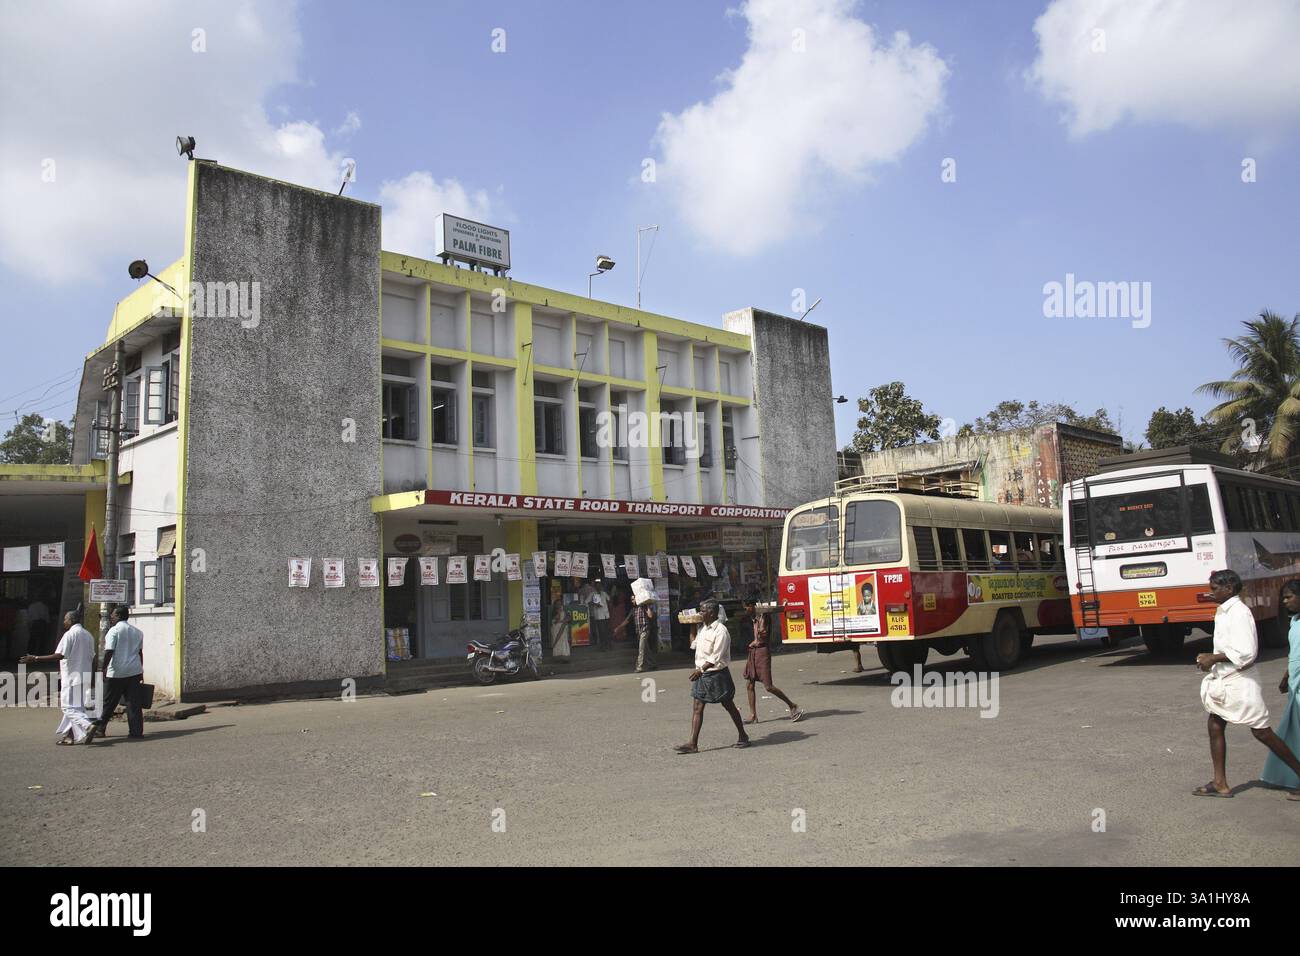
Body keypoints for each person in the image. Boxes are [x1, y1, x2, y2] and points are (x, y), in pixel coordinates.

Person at [1194, 570, 1300, 798]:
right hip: (1225, 679)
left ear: (1229, 589)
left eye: (1214, 589)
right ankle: (1220, 782)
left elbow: (1246, 653)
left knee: (1262, 732)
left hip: (1240, 681)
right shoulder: (1224, 611)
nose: (1210, 593)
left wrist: (1213, 658)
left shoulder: (1239, 613)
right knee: (1215, 723)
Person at [675, 599, 749, 753]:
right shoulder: (703, 629)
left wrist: (700, 670)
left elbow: (716, 657)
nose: (700, 613)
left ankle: (743, 735)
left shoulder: (720, 631)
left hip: (717, 675)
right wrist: (692, 625)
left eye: (703, 611)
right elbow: (693, 645)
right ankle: (692, 743)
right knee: (697, 707)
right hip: (702, 675)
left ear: (712, 613)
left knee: (728, 705)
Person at [21, 611, 98, 745]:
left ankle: (87, 725)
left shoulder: (69, 635)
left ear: (71, 620)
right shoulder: (88, 635)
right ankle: (69, 737)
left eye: (65, 619)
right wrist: (92, 677)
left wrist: (35, 658)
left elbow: (59, 655)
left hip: (71, 677)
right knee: (77, 708)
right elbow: (94, 658)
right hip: (84, 676)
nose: (63, 622)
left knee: (68, 708)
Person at [1262, 579, 1300, 790]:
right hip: (1296, 685)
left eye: (1289, 597)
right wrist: (1286, 676)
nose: (1285, 602)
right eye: (1283, 598)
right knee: (1293, 733)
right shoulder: (1294, 622)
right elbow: (1294, 654)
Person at [741, 600, 802, 724]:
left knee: (768, 687)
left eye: (747, 606)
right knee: (749, 684)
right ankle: (753, 715)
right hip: (754, 652)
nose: (746, 610)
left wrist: (758, 635)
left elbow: (763, 635)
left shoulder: (765, 617)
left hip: (762, 652)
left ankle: (792, 705)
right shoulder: (755, 618)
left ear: (753, 606)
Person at [93, 605, 145, 740]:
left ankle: (99, 729)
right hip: (134, 671)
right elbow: (140, 653)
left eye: (113, 615)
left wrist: (102, 668)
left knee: (108, 702)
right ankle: (136, 732)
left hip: (116, 672)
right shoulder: (137, 632)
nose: (111, 617)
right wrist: (141, 670)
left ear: (119, 616)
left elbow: (109, 651)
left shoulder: (114, 631)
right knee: (133, 703)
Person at [634, 592, 658, 673]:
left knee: (641, 648)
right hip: (639, 631)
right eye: (631, 600)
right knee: (646, 648)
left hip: (645, 630)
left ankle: (639, 666)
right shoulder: (634, 609)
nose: (632, 601)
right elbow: (627, 620)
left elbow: (650, 616)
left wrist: (648, 606)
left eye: (633, 599)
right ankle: (653, 663)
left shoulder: (644, 607)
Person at [588, 580, 612, 651]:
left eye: (600, 586)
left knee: (607, 630)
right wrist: (594, 603)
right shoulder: (592, 594)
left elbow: (609, 599)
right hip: (599, 616)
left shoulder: (604, 593)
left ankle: (608, 645)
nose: (599, 587)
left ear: (601, 587)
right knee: (601, 631)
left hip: (606, 615)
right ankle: (603, 646)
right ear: (595, 587)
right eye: (597, 586)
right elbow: (587, 602)